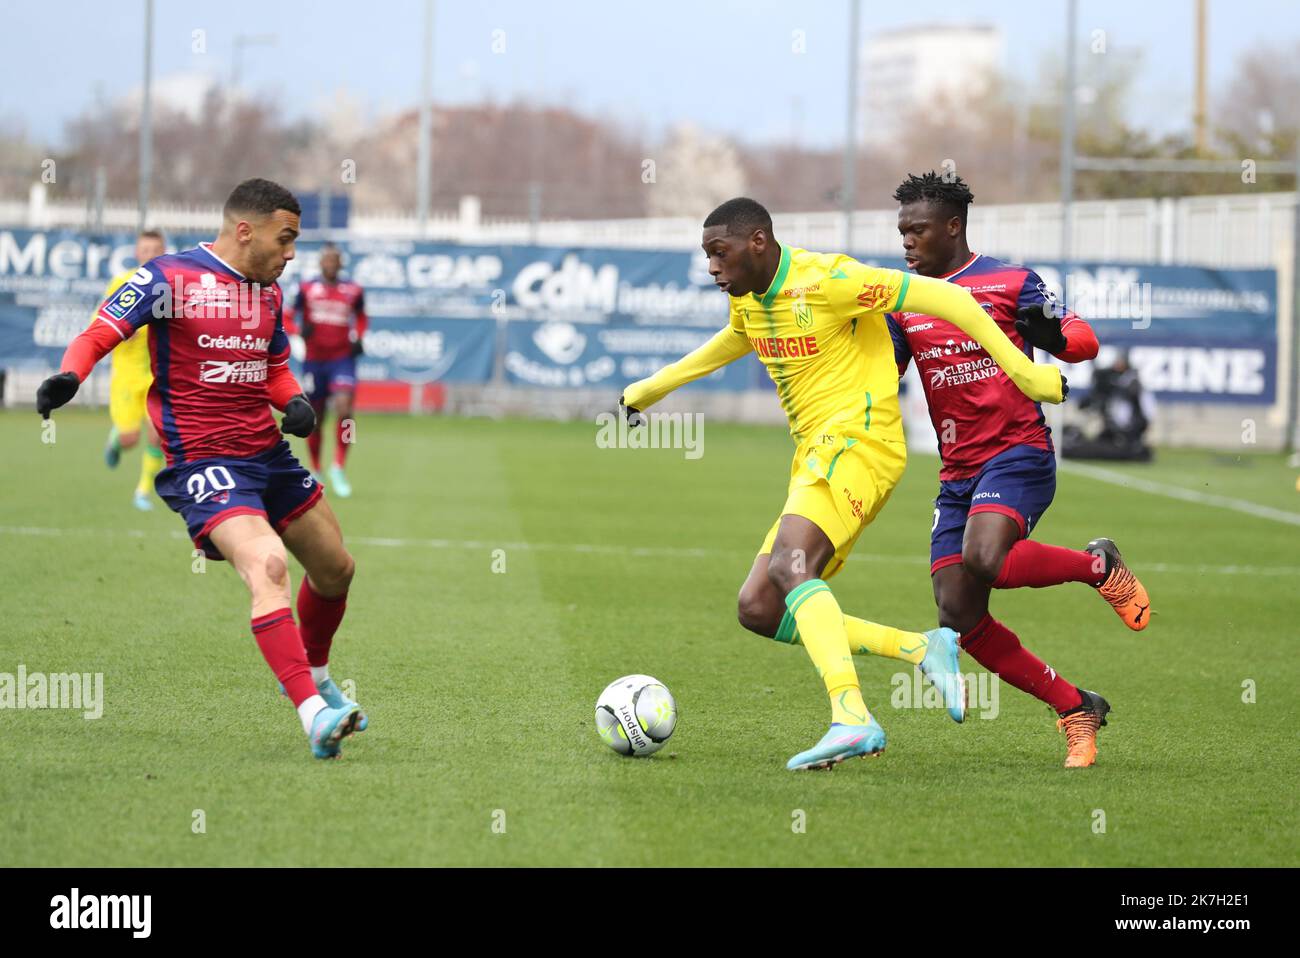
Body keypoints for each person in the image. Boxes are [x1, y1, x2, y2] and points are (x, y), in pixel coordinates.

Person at [620, 196, 1067, 771]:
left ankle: (852, 716)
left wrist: (1026, 371)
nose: (712, 267)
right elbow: (732, 341)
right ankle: (919, 647)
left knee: (790, 567)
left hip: (859, 444)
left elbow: (950, 296)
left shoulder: (829, 280)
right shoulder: (750, 302)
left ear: (757, 241)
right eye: (707, 255)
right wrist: (651, 388)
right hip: (816, 454)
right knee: (759, 605)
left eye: (719, 252)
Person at [37, 178, 367, 760]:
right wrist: (71, 375)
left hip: (267, 455)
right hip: (204, 463)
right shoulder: (169, 279)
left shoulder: (267, 292)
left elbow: (274, 366)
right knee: (266, 566)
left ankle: (317, 676)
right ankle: (313, 716)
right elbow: (99, 332)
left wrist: (291, 400)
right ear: (246, 230)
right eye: (285, 239)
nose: (292, 253)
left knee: (336, 568)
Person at [881, 171, 1152, 767]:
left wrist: (1050, 334)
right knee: (958, 612)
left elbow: (1083, 341)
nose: (906, 242)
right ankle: (1076, 705)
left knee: (986, 559)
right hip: (957, 475)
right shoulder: (905, 301)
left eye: (916, 230)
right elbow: (879, 376)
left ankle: (1096, 566)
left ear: (953, 227)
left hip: (1018, 453)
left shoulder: (1009, 281)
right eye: (901, 230)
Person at [284, 244, 367, 496]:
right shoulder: (307, 289)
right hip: (314, 361)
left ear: (340, 263)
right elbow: (287, 317)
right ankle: (316, 468)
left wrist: (358, 337)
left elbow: (362, 317)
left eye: (335, 260)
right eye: (326, 260)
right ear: (321, 263)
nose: (330, 264)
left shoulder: (353, 290)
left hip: (342, 360)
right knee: (315, 419)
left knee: (346, 411)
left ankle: (339, 466)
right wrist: (299, 332)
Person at [99, 229, 167, 510]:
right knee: (130, 438)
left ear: (163, 253)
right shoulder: (122, 283)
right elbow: (100, 321)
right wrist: (123, 331)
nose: (150, 255)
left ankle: (143, 491)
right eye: (145, 250)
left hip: (157, 375)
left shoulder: (170, 286)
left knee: (158, 433)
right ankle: (117, 439)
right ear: (137, 253)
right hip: (127, 376)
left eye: (155, 250)